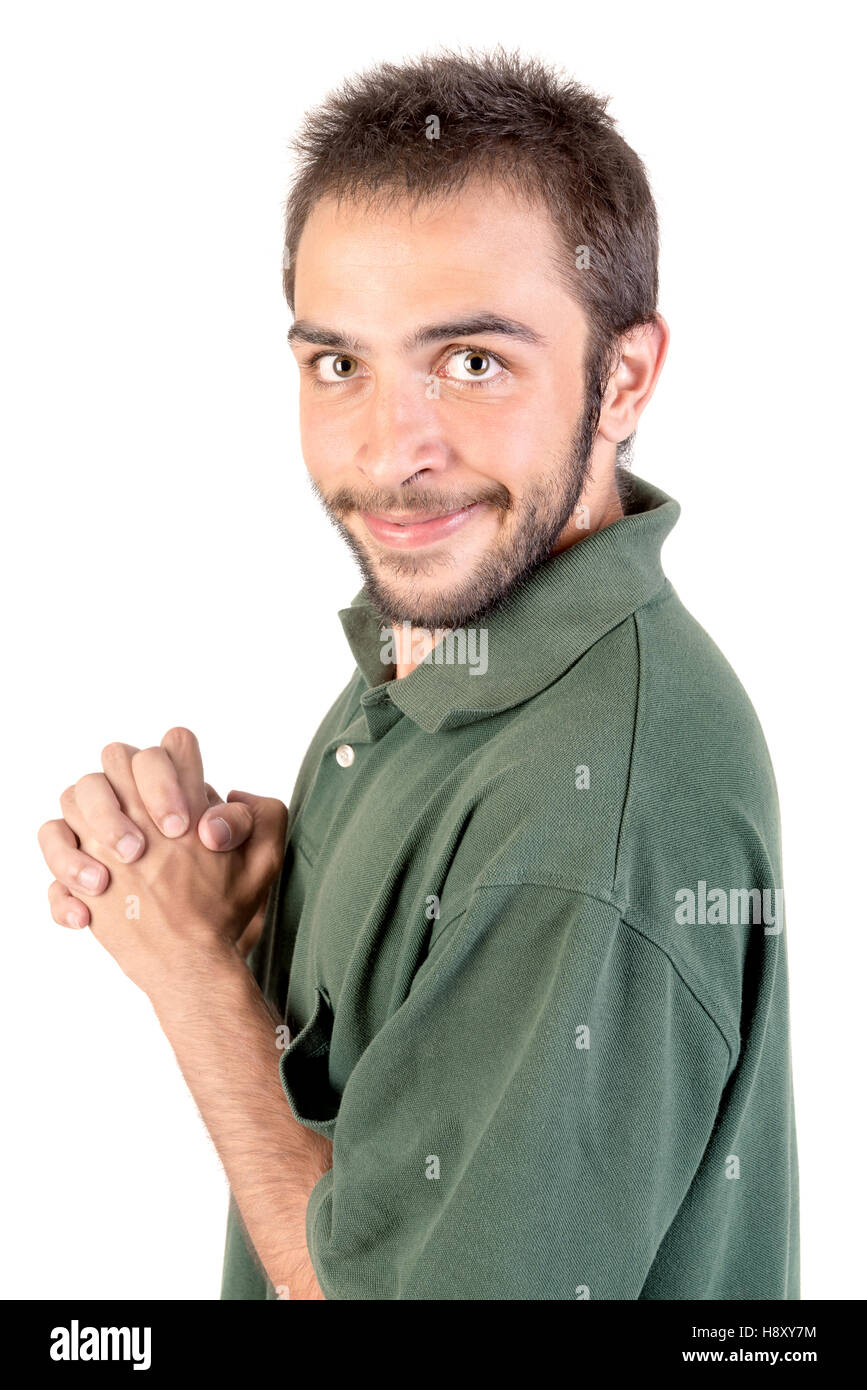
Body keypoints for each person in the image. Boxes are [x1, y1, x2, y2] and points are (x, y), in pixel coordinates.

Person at [37, 48, 799, 1300]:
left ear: (623, 377)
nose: (393, 452)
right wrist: (246, 931)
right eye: (341, 364)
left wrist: (184, 972)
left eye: (472, 361)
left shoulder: (595, 808)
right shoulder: (448, 647)